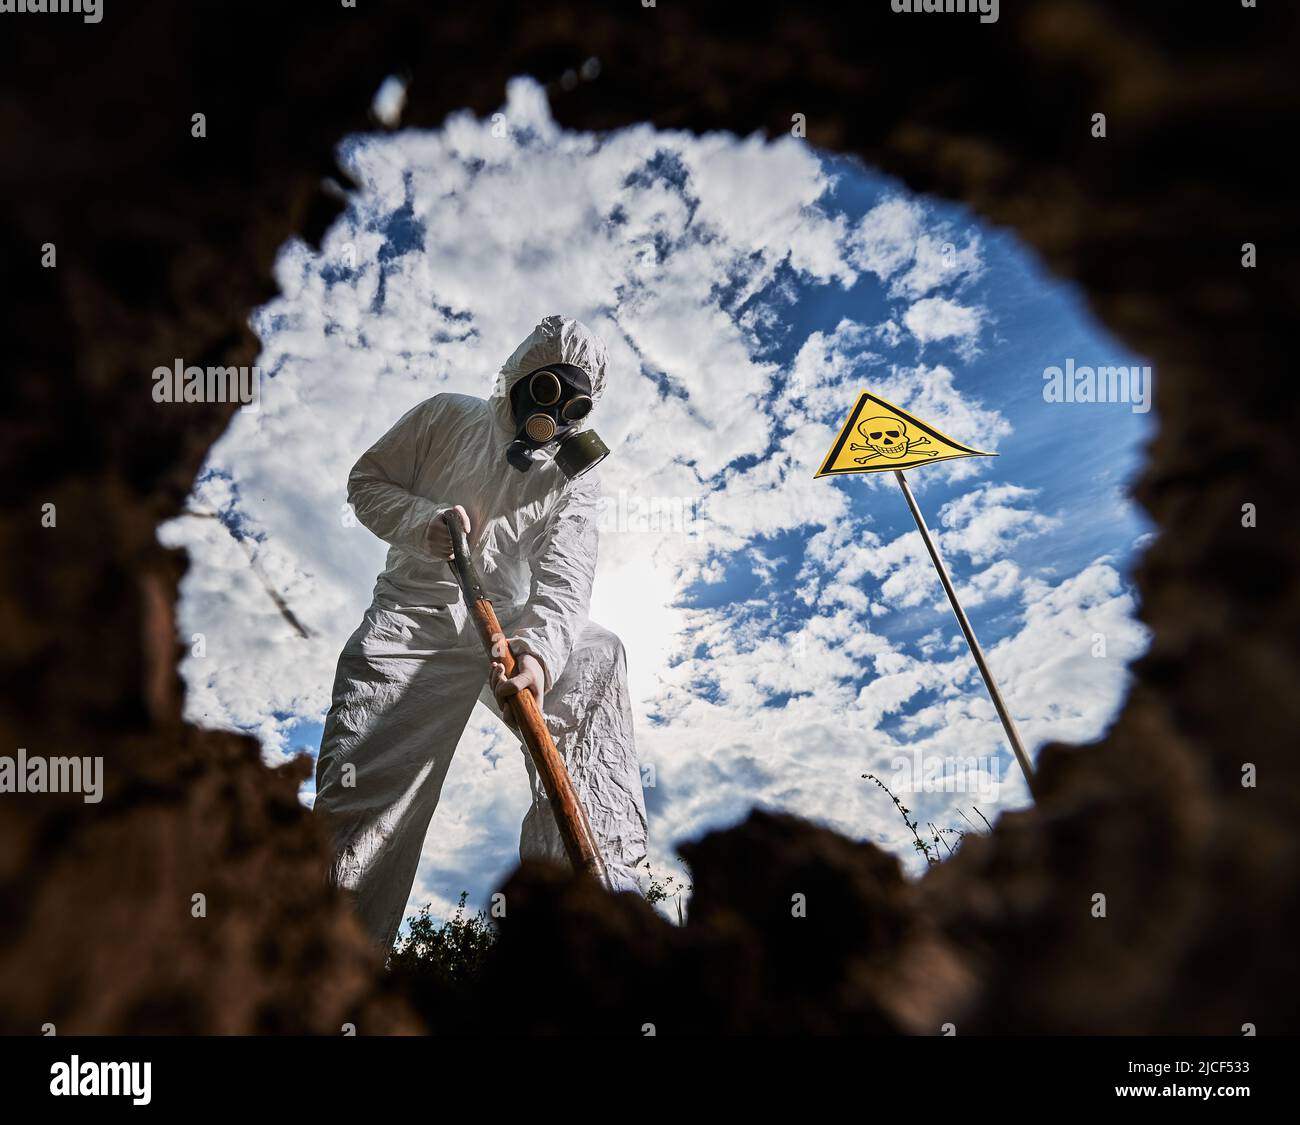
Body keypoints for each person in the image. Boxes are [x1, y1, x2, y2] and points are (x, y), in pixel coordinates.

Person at [314, 315, 648, 952]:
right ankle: (330, 973)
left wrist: (543, 657)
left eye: (572, 403)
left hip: (515, 621)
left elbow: (568, 569)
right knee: (366, 789)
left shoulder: (574, 472)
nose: (550, 416)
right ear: (518, 378)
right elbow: (365, 482)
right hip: (418, 614)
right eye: (544, 391)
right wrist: (422, 522)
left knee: (598, 656)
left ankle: (594, 927)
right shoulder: (445, 416)